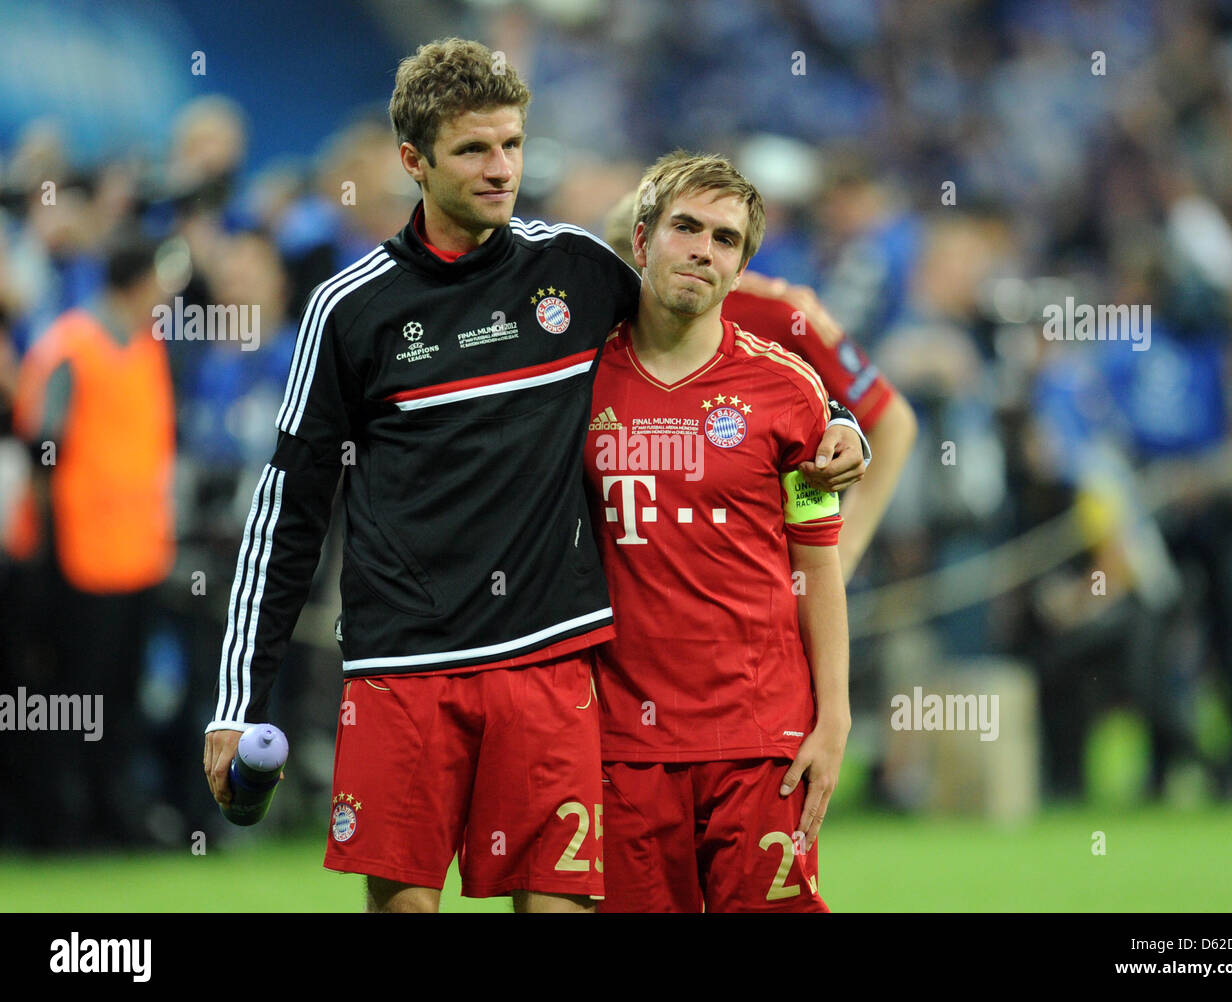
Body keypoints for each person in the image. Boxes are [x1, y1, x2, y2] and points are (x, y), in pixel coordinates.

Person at [201, 38, 867, 914]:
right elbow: (288, 512)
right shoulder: (349, 311)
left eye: (512, 144)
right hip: (404, 664)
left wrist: (838, 418)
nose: (500, 168)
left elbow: (699, 314)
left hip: (549, 662)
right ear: (414, 161)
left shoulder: (574, 273)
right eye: (475, 148)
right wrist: (237, 699)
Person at [585, 151, 848, 911]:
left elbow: (819, 567)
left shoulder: (791, 392)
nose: (703, 249)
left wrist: (834, 719)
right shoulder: (577, 382)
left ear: (740, 269)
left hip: (761, 738)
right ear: (641, 241)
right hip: (621, 744)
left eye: (726, 239)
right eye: (686, 227)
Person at [603, 192, 916, 580]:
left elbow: (892, 424)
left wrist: (841, 558)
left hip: (769, 584)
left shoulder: (781, 313)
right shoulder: (601, 317)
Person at [7, 229, 175, 846]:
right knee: (70, 699)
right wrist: (42, 556)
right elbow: (41, 451)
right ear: (141, 282)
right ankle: (57, 821)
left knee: (120, 697)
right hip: (75, 558)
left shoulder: (147, 346)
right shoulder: (71, 348)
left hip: (136, 554)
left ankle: (112, 814)